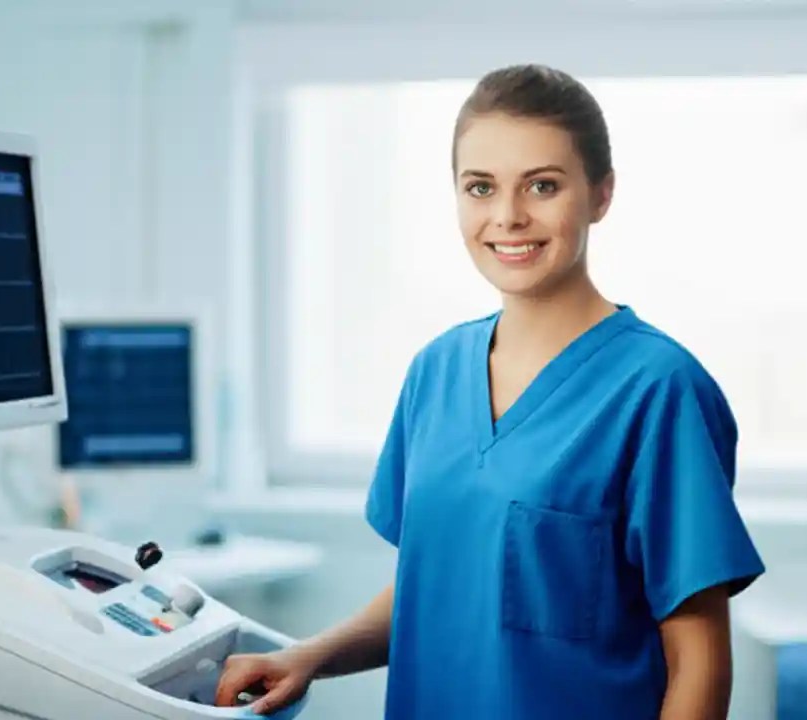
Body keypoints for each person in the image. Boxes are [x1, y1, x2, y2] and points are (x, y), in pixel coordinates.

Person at [215, 64, 765, 719]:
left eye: (543, 186)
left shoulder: (659, 390)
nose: (508, 216)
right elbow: (440, 585)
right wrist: (306, 657)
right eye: (481, 187)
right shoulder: (435, 373)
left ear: (601, 195)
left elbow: (699, 662)